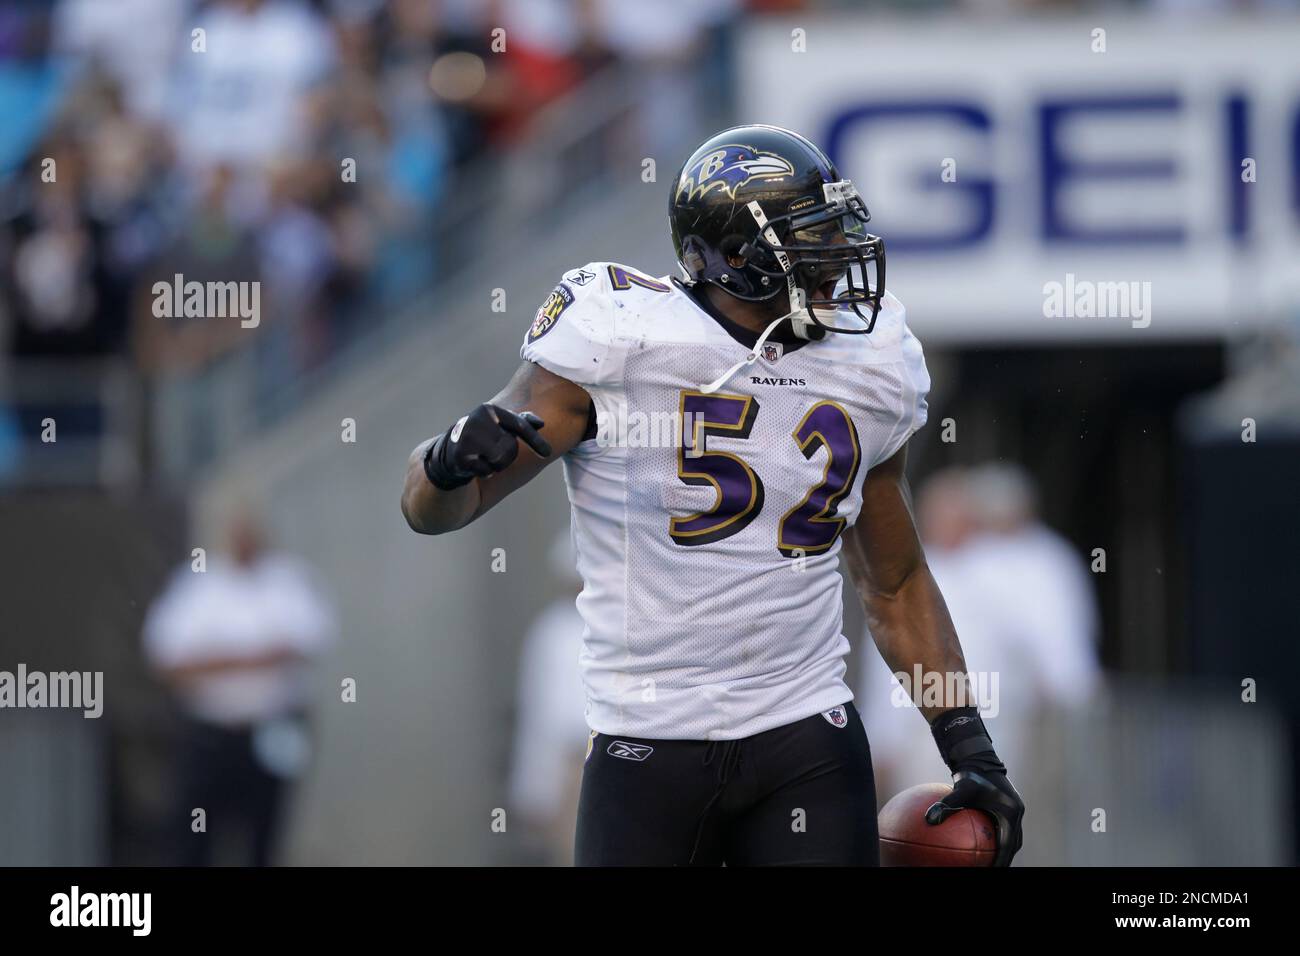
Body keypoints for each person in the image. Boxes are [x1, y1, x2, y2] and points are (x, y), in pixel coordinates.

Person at [401, 125, 1024, 866]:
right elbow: (435, 513)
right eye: (808, 239)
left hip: (806, 736)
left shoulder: (871, 362)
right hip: (648, 746)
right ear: (731, 257)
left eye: (835, 230)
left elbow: (894, 581)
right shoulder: (619, 338)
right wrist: (443, 466)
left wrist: (968, 743)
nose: (837, 259)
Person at [143, 505, 335, 865]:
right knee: (194, 837)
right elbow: (168, 659)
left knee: (265, 834)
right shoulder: (198, 585)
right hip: (210, 735)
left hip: (272, 730)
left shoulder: (288, 580)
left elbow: (305, 644)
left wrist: (214, 660)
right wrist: (250, 659)